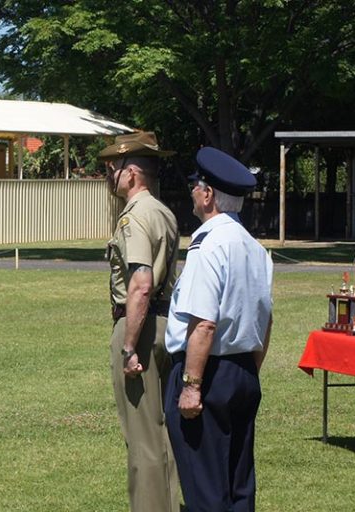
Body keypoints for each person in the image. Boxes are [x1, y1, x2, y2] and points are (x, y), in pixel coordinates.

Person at [164, 147, 273, 512]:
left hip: (207, 373)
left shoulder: (208, 245)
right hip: (242, 370)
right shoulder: (255, 249)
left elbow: (204, 323)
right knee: (239, 486)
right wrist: (247, 371)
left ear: (207, 194)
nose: (193, 191)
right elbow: (265, 319)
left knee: (206, 489)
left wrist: (192, 386)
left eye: (196, 185)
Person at [101, 131, 181, 512]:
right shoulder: (163, 211)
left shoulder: (134, 217)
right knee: (163, 435)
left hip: (141, 328)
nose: (108, 176)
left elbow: (141, 284)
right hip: (166, 325)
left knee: (142, 437)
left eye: (112, 169)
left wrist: (130, 345)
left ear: (131, 173)